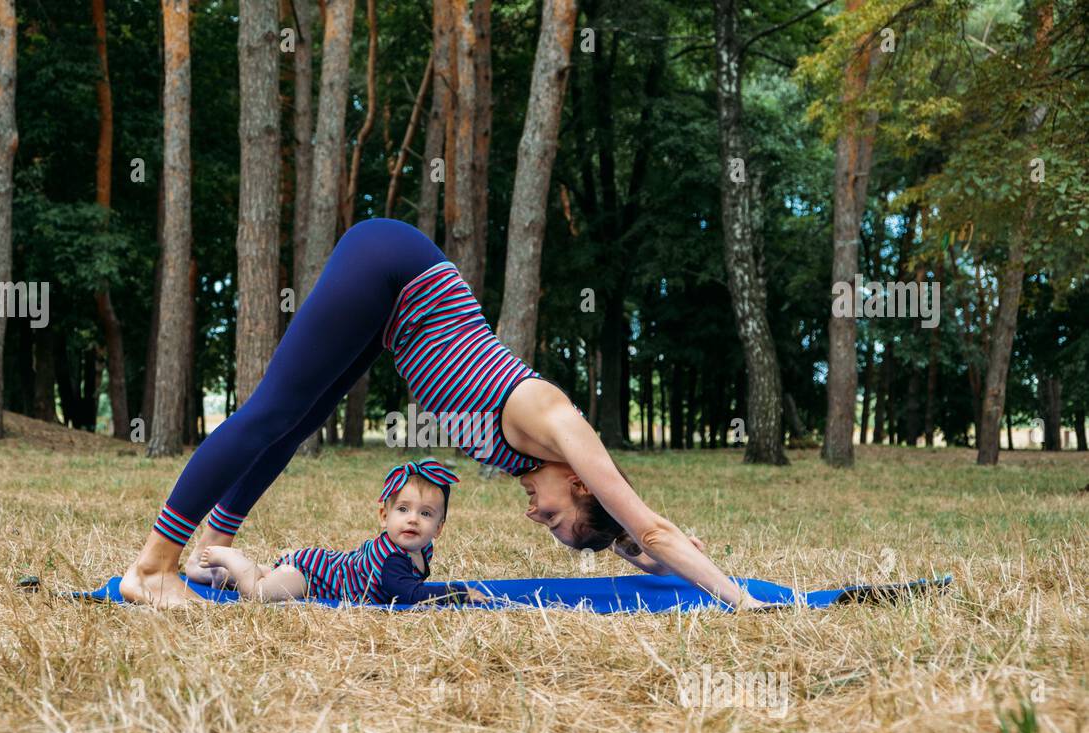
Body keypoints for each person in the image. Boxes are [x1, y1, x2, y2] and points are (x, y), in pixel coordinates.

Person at [122, 217, 763, 610]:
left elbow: (636, 539)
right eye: (552, 516)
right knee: (269, 413)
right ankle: (151, 567)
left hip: (393, 317)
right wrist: (739, 598)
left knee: (294, 424)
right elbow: (651, 528)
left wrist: (663, 561)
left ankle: (215, 546)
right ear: (580, 483)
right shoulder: (559, 425)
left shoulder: (542, 464)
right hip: (393, 268)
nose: (533, 515)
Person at [196, 459, 489, 606]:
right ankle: (231, 557)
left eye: (425, 514)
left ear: (438, 528)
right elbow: (411, 595)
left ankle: (217, 574)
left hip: (324, 566)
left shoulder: (421, 547)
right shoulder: (393, 560)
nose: (413, 519)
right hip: (310, 577)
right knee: (259, 593)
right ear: (384, 516)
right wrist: (459, 592)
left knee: (268, 575)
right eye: (403, 509)